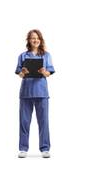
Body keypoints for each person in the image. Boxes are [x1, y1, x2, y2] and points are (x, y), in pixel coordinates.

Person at [16, 29, 54, 158]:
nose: (35, 40)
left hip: (41, 93)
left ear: (40, 40)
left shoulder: (46, 56)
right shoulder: (22, 56)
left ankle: (45, 148)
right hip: (26, 93)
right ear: (29, 40)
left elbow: (48, 73)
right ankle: (23, 148)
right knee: (24, 122)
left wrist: (44, 72)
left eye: (37, 38)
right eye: (33, 38)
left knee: (43, 122)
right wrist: (23, 72)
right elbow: (19, 74)